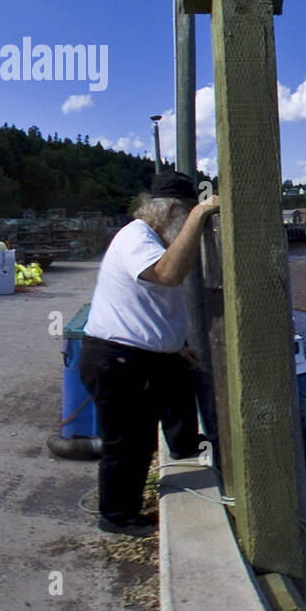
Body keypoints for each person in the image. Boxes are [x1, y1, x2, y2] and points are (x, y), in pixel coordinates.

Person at [78, 170, 219, 535]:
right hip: (118, 359)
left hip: (137, 355)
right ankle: (117, 516)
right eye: (186, 214)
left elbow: (149, 306)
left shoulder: (147, 238)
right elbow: (167, 274)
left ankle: (185, 445)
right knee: (129, 443)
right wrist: (201, 214)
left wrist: (174, 346)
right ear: (173, 210)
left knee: (176, 382)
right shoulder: (135, 237)